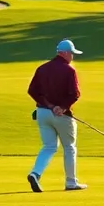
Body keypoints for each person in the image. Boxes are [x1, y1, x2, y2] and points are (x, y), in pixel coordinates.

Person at [26, 39, 86, 192]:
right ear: (65, 53)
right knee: (69, 147)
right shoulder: (69, 70)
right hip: (62, 116)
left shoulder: (42, 68)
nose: (72, 57)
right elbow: (75, 94)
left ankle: (35, 173)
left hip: (42, 113)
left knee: (49, 146)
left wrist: (49, 105)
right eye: (72, 54)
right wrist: (62, 107)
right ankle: (71, 182)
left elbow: (32, 91)